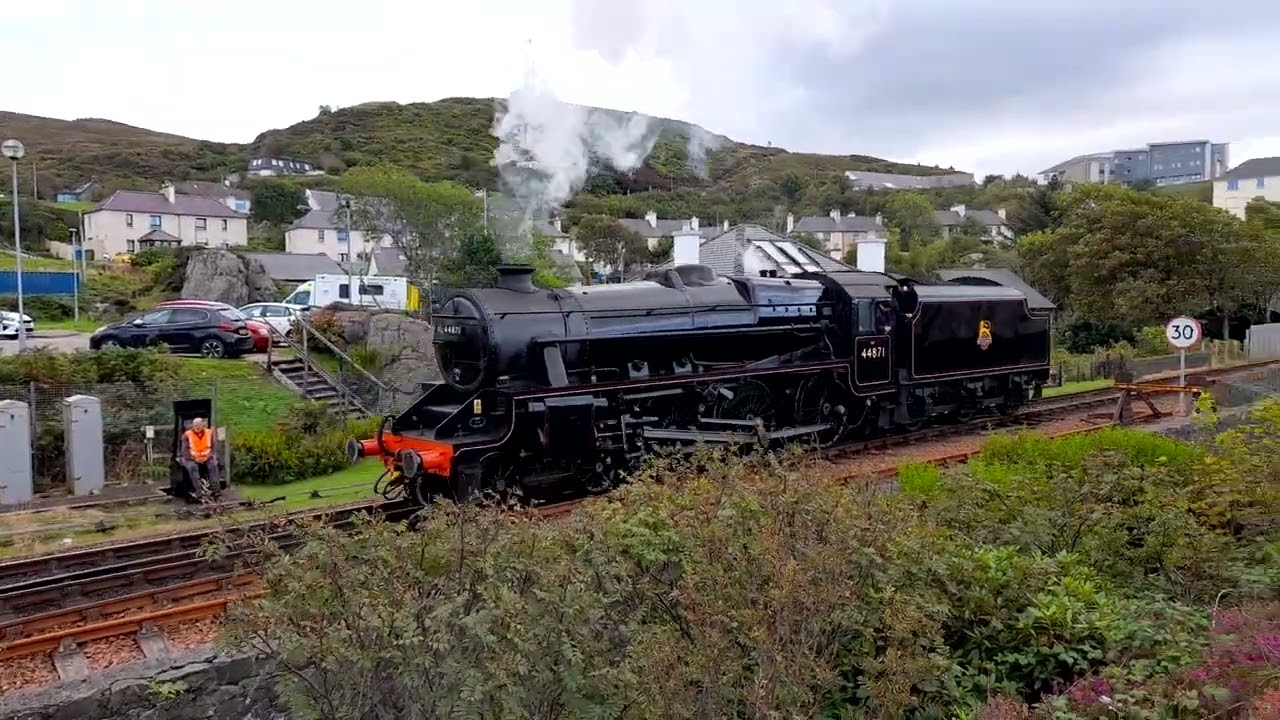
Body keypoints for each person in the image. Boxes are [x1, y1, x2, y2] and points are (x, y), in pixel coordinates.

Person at [178, 417, 221, 501]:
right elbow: (185, 451)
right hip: (192, 458)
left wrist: (208, 457)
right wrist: (194, 459)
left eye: (199, 425)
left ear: (203, 425)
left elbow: (213, 448)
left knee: (213, 465)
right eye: (195, 425)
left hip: (207, 457)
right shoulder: (187, 435)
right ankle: (198, 493)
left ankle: (216, 492)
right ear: (192, 425)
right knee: (192, 467)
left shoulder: (209, 433)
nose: (197, 427)